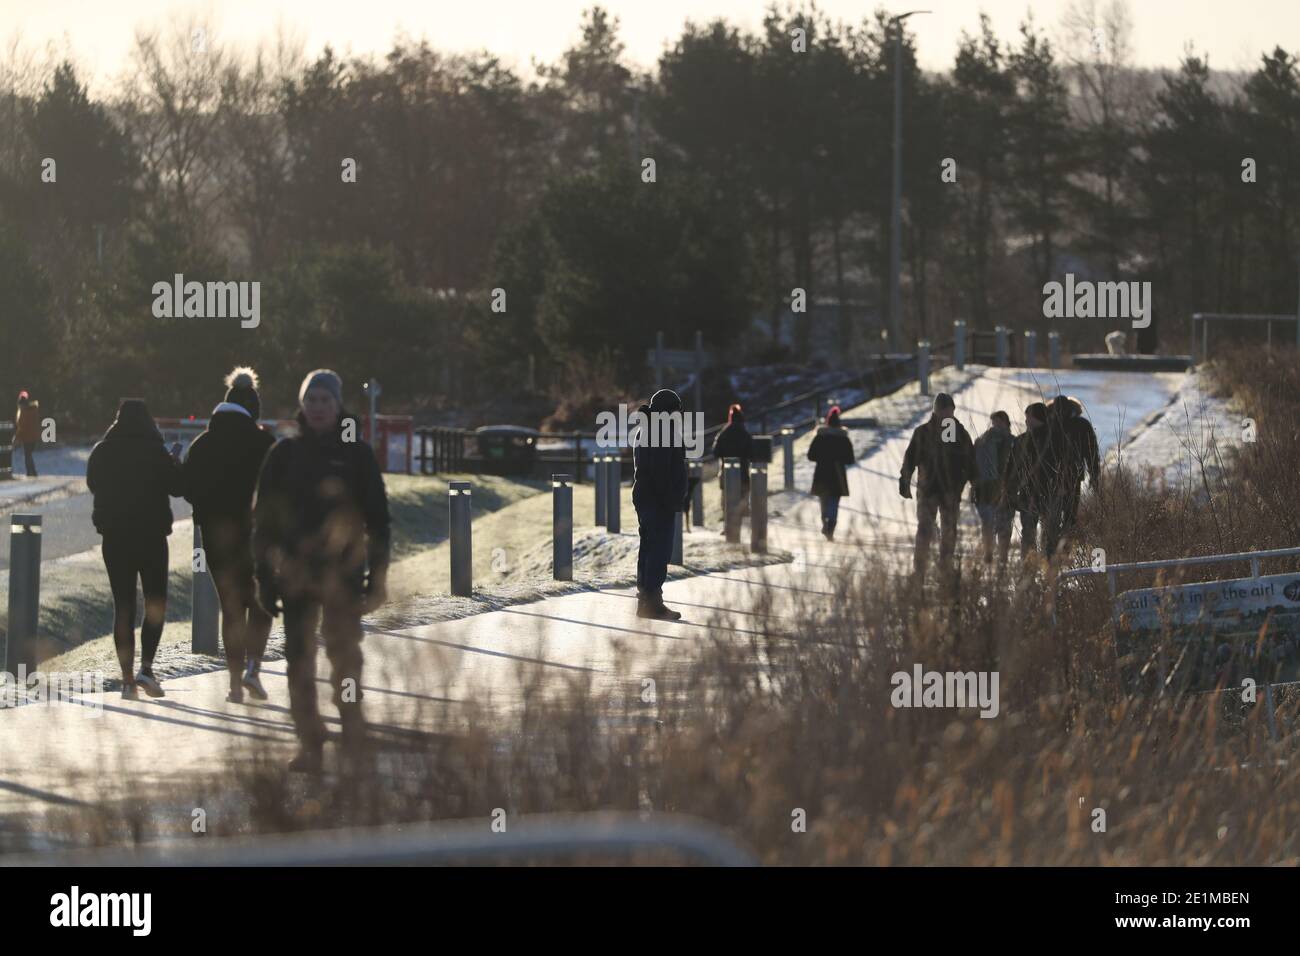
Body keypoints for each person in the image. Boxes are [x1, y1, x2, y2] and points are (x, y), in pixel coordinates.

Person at [253, 369, 391, 773]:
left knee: (345, 657)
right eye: (310, 400)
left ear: (338, 405)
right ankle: (310, 740)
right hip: (295, 576)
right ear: (301, 405)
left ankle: (352, 731)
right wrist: (264, 577)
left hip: (344, 575)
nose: (316, 408)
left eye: (324, 401)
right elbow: (264, 522)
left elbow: (379, 521)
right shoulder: (284, 454)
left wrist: (377, 578)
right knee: (298, 659)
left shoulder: (356, 454)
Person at [182, 367, 277, 703]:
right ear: (254, 410)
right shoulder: (265, 443)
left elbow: (187, 488)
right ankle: (253, 667)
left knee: (232, 608)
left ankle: (235, 683)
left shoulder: (203, 444)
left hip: (215, 540)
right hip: (258, 538)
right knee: (260, 603)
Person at [86, 399, 185, 699]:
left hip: (115, 539)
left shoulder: (102, 451)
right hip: (152, 538)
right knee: (156, 602)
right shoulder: (157, 452)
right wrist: (174, 462)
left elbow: (93, 484)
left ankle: (127, 679)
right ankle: (147, 668)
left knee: (124, 606)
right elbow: (178, 487)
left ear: (117, 420)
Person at [899, 393, 975, 583]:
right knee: (925, 530)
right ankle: (920, 570)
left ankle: (945, 568)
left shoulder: (959, 432)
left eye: (950, 410)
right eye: (944, 410)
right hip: (928, 490)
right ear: (936, 410)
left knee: (949, 531)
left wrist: (974, 483)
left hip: (950, 492)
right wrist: (904, 481)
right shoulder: (923, 432)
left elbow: (970, 461)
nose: (947, 414)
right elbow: (910, 459)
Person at [631, 389, 688, 620]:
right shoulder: (663, 431)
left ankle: (645, 601)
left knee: (648, 548)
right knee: (659, 549)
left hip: (645, 496)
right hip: (658, 499)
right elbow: (661, 471)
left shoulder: (646, 428)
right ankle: (653, 603)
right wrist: (671, 498)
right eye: (676, 410)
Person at [1005, 402, 1052, 560]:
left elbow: (1011, 471)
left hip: (1030, 495)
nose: (1026, 421)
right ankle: (1049, 572)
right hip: (1049, 494)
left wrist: (1010, 491)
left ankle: (1028, 574)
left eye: (1028, 417)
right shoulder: (1056, 439)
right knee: (1048, 536)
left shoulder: (1022, 441)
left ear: (1037, 418)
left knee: (1029, 536)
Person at [972, 411, 1015, 569]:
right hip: (1003, 491)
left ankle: (989, 553)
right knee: (1003, 526)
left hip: (984, 491)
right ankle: (1001, 557)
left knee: (988, 524)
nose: (996, 426)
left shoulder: (980, 440)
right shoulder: (1013, 441)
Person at [807, 405, 854, 540]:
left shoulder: (820, 437)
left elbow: (811, 456)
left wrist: (822, 458)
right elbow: (850, 459)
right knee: (834, 502)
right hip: (838, 475)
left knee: (824, 501)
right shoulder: (844, 439)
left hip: (822, 473)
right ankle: (830, 527)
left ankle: (825, 522)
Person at [712, 403, 753, 510]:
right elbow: (752, 452)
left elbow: (715, 451)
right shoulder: (744, 433)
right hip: (742, 471)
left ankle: (728, 519)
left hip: (726, 472)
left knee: (727, 504)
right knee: (743, 500)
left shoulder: (723, 433)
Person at [14, 391, 41, 477]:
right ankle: (32, 471)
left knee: (27, 454)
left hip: (26, 436)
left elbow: (21, 426)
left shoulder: (23, 412)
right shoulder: (33, 410)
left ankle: (30, 471)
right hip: (34, 436)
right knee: (29, 454)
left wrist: (16, 437)